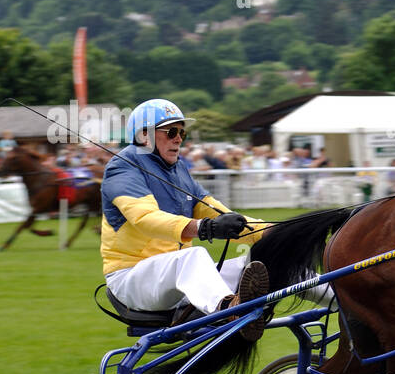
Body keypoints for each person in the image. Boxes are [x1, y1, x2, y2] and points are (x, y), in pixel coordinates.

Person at [100, 99, 270, 341]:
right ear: (144, 136)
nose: (178, 139)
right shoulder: (122, 167)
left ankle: (337, 295)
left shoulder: (178, 169)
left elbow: (219, 214)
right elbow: (145, 218)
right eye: (171, 132)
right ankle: (228, 311)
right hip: (130, 280)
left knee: (266, 258)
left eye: (182, 132)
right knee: (194, 255)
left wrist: (275, 232)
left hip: (177, 278)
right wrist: (204, 228)